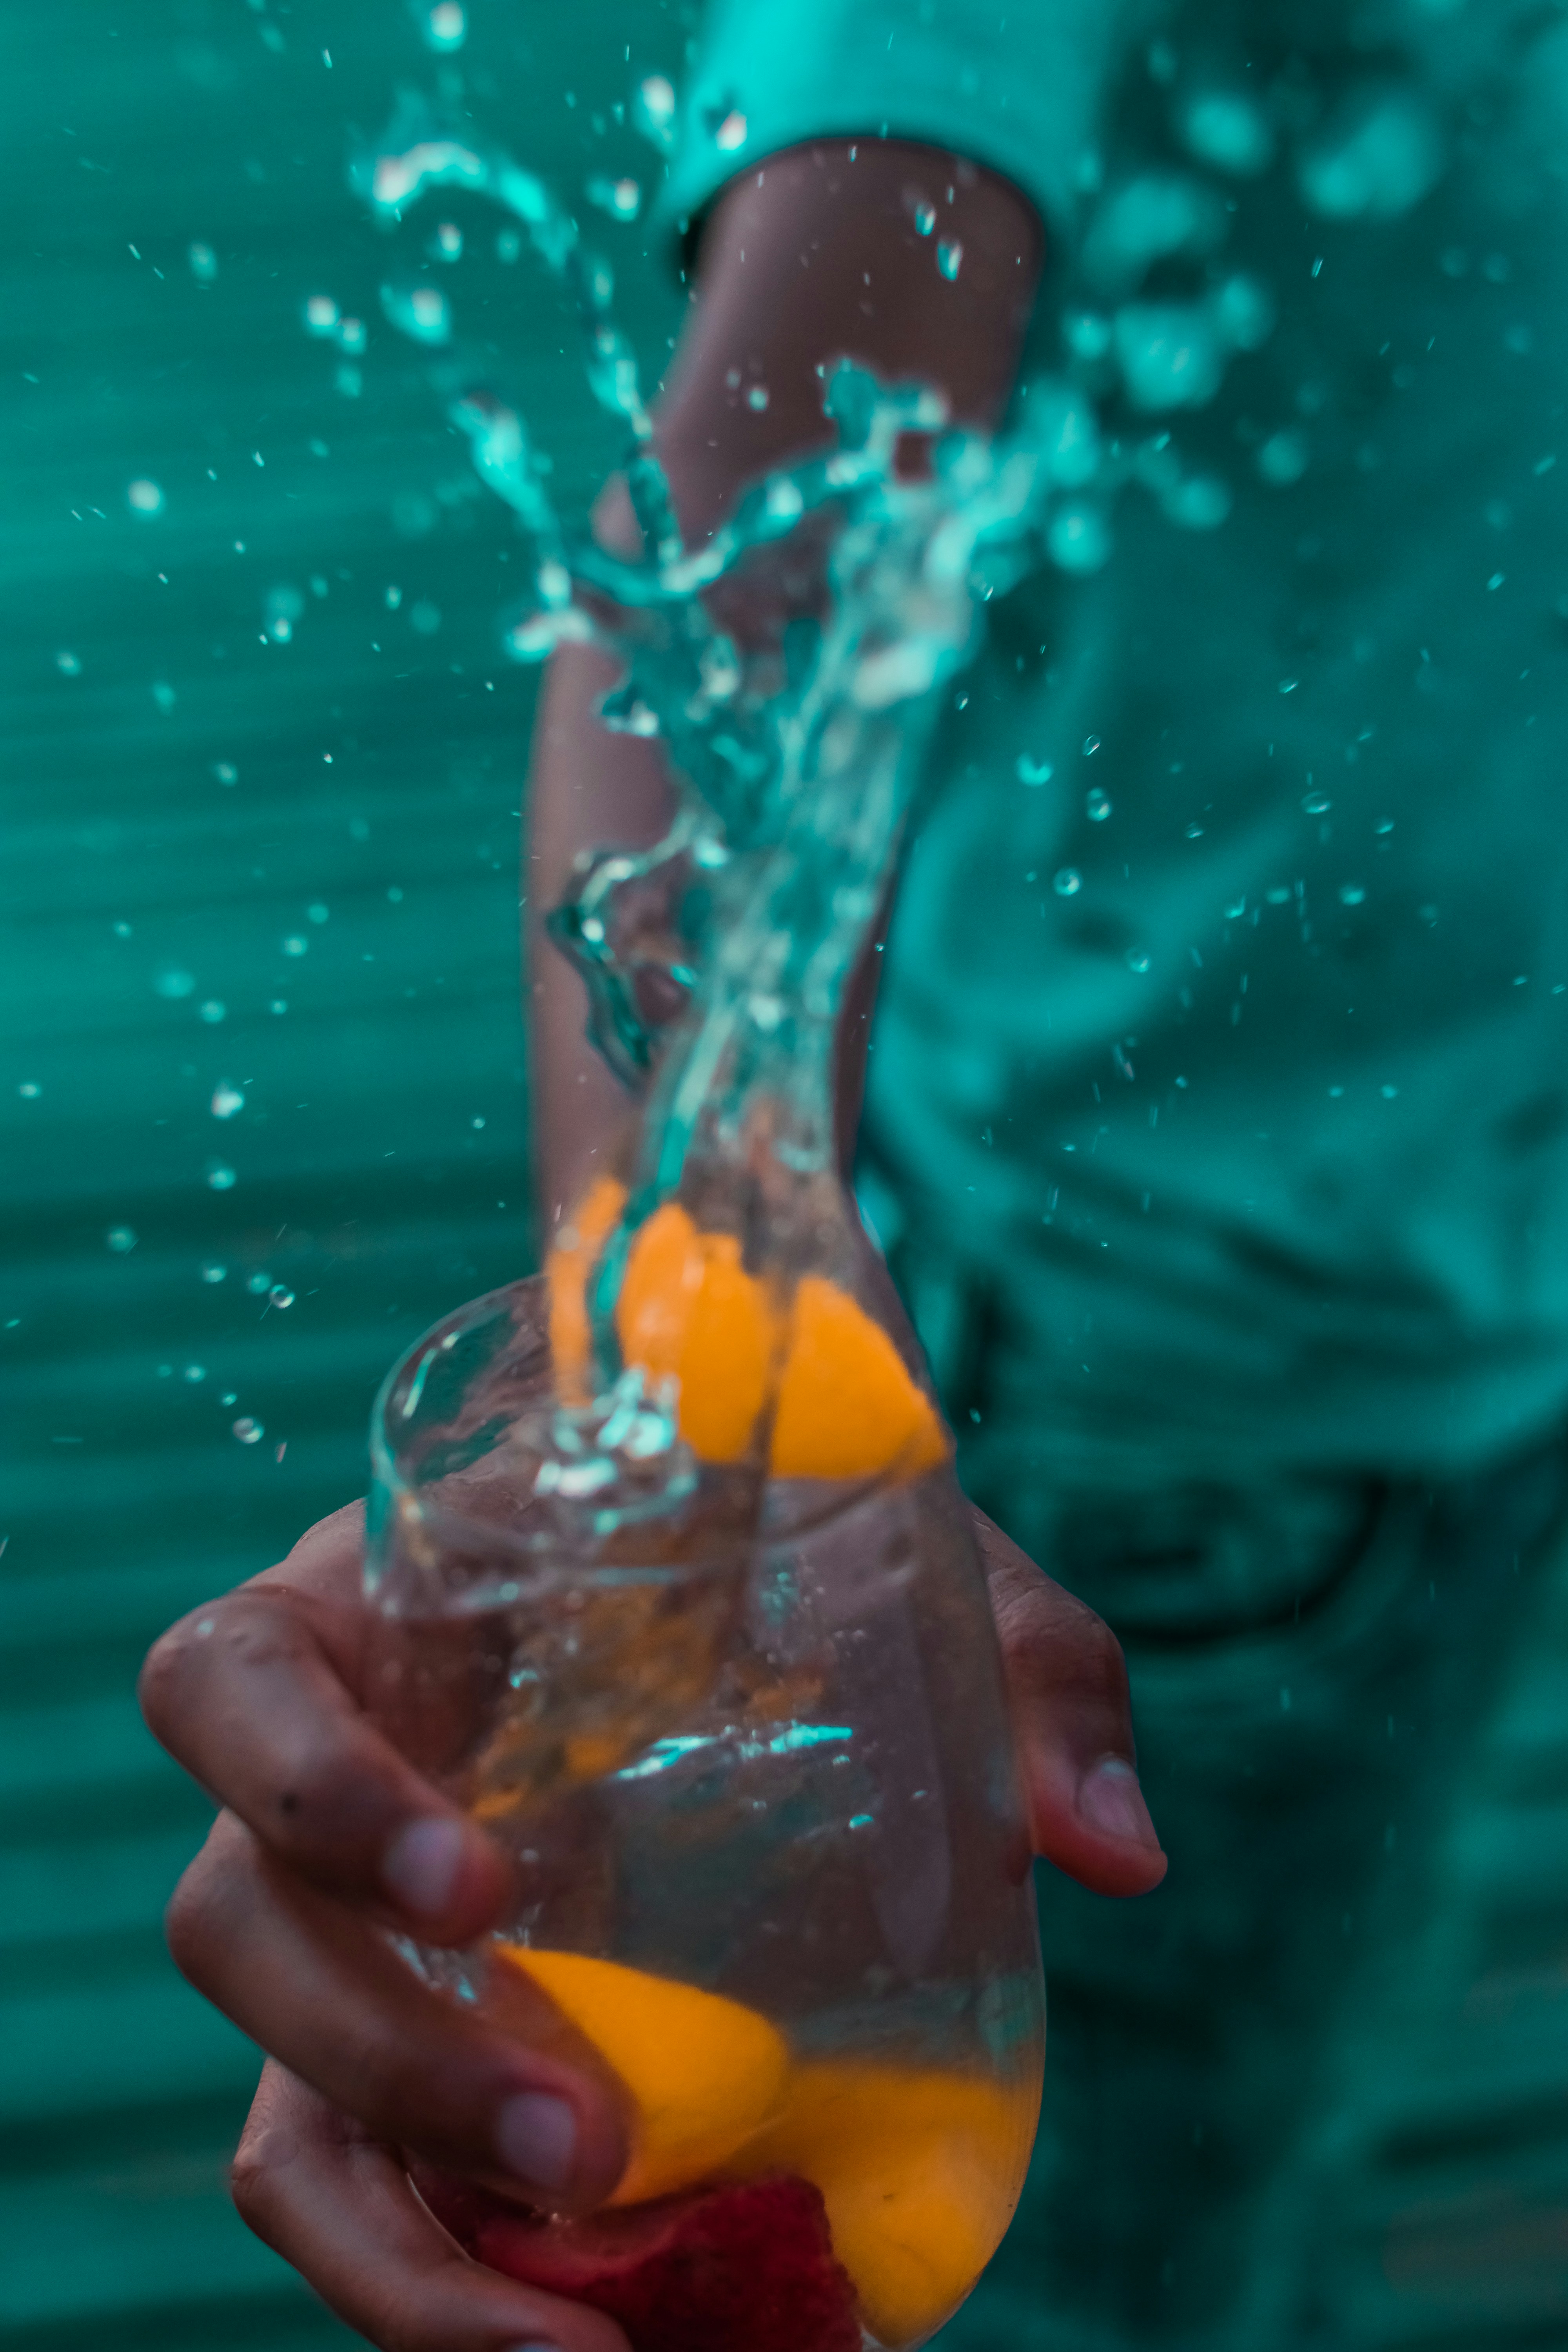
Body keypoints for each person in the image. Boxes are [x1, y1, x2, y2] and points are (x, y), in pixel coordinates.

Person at [142, 2, 1568, 2346]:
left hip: (1462, 1286)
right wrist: (655, 1436)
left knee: (1256, 2121)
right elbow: (740, 556)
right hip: (1215, 1392)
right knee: (1099, 2240)